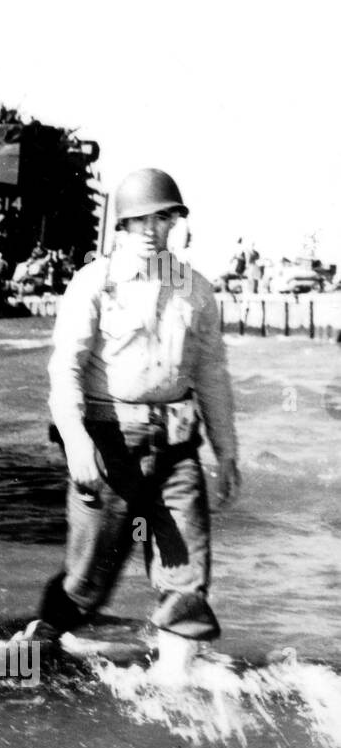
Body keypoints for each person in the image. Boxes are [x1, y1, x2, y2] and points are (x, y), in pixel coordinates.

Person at [32, 167, 240, 649]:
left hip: (176, 449)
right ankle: (34, 654)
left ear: (175, 223)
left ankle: (175, 682)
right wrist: (76, 442)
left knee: (187, 581)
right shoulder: (94, 283)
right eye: (140, 220)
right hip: (110, 446)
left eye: (162, 218)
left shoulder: (195, 289)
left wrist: (226, 451)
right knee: (86, 583)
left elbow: (212, 375)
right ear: (121, 225)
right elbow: (65, 370)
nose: (151, 230)